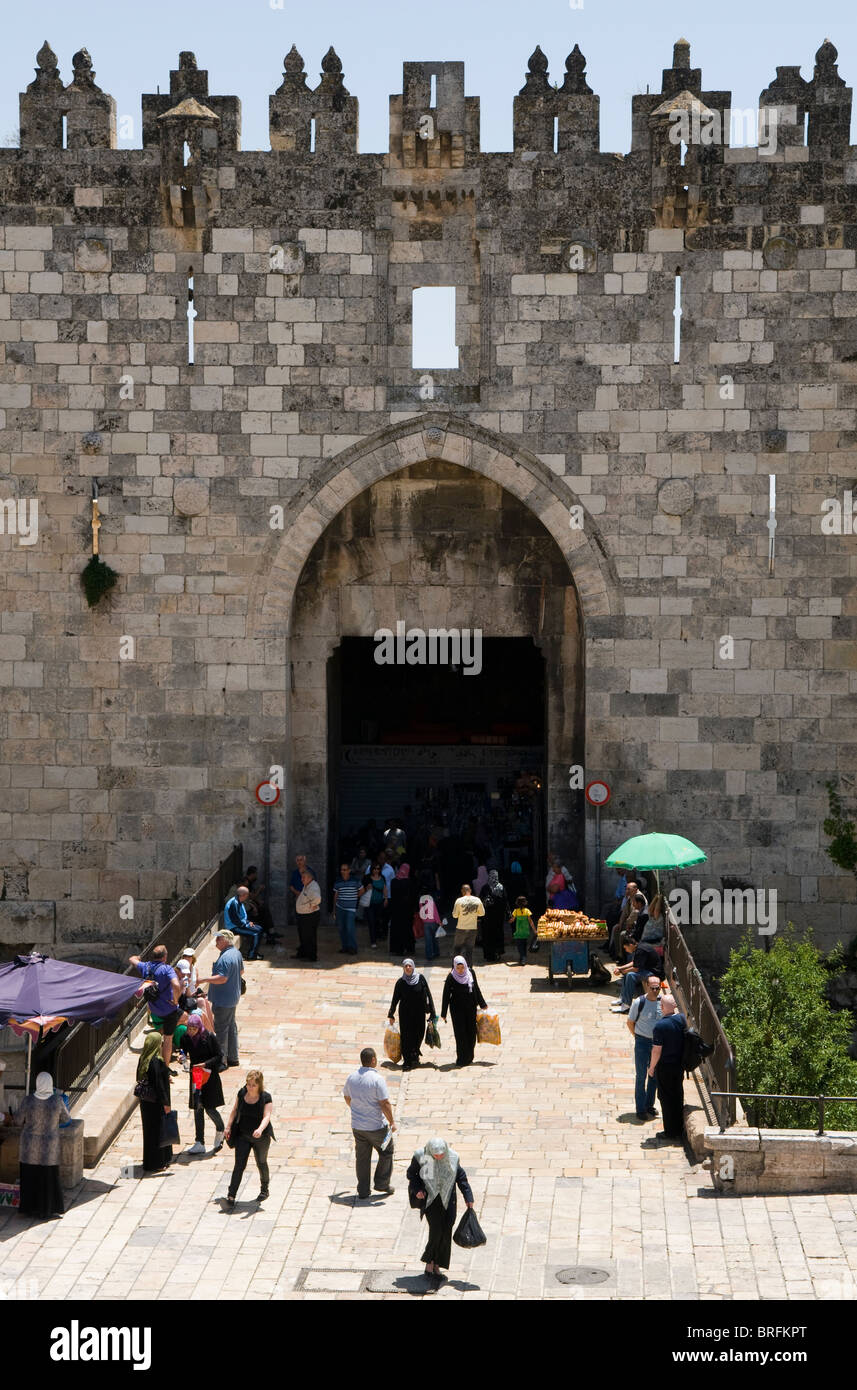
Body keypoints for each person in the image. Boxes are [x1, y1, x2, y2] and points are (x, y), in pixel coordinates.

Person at [407, 1136, 475, 1282]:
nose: (438, 1157)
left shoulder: (453, 1158)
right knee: (436, 1231)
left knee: (446, 1232)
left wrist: (468, 1198)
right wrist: (418, 1189)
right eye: (435, 1155)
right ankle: (429, 1262)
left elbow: (461, 1178)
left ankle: (437, 1264)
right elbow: (412, 1175)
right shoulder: (421, 1156)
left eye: (441, 1154)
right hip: (432, 1201)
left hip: (448, 1200)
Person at [343, 1047, 396, 1200]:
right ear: (373, 1060)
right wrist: (392, 1122)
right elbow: (384, 1103)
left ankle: (363, 1190)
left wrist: (356, 1109)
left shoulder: (352, 1077)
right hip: (376, 1127)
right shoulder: (377, 1079)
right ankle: (381, 1183)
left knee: (362, 1158)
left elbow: (347, 1096)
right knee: (386, 1152)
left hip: (358, 1127)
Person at [17, 1072, 70, 1218]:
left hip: (29, 1148)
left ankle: (29, 1208)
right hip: (49, 1147)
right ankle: (46, 1209)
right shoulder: (57, 1101)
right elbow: (66, 1119)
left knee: (30, 1177)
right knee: (47, 1177)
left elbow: (18, 1120)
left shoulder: (28, 1101)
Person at [224, 1069, 275, 1206]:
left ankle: (264, 1189)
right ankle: (231, 1194)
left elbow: (267, 1116)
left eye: (253, 1085)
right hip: (243, 1135)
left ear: (259, 1085)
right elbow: (234, 1110)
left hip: (261, 1137)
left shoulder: (266, 1097)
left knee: (261, 1162)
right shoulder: (242, 1093)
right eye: (248, 1084)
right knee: (239, 1165)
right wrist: (228, 1126)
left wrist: (260, 1129)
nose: (250, 1087)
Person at [197, 929, 244, 1070]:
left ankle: (221, 1061)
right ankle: (233, 1057)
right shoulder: (236, 953)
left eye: (219, 939)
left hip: (223, 999)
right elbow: (241, 971)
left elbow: (222, 978)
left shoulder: (224, 958)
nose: (216, 941)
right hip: (232, 997)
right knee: (231, 1026)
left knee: (221, 1029)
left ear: (226, 940)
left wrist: (203, 979)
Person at [129, 944, 181, 1065]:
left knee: (158, 1036)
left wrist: (138, 957)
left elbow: (132, 959)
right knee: (168, 1039)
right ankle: (165, 1068)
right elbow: (177, 985)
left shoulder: (145, 967)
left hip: (154, 1009)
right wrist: (176, 1000)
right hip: (169, 1009)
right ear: (164, 957)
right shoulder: (167, 969)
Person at [183, 1013, 226, 1154]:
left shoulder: (209, 1037)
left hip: (209, 1076)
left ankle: (220, 1129)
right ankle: (199, 1141)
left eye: (194, 1029)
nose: (191, 1031)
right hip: (196, 1076)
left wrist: (205, 1064)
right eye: (189, 1028)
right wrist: (182, 1056)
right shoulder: (187, 1038)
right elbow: (183, 1049)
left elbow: (219, 1056)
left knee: (209, 1108)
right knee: (198, 1107)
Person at [647, 994, 687, 1142]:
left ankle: (670, 1132)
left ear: (662, 1007)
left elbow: (656, 1050)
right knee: (678, 1095)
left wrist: (651, 1068)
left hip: (665, 1067)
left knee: (665, 1098)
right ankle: (679, 1128)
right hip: (679, 1065)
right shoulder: (682, 1019)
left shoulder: (660, 1026)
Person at [387, 959, 437, 1071]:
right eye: (406, 967)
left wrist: (433, 1012)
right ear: (404, 968)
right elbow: (395, 999)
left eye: (410, 966)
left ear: (413, 967)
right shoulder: (401, 982)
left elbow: (428, 995)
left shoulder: (421, 979)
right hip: (405, 1013)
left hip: (419, 1012)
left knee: (419, 1034)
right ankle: (407, 1061)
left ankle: (415, 1054)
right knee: (406, 1036)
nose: (408, 968)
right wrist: (391, 1014)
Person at [135, 1032, 173, 1174]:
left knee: (149, 1132)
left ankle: (150, 1162)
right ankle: (158, 1163)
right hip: (156, 1102)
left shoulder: (143, 1058)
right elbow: (159, 1085)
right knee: (158, 1131)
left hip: (146, 1102)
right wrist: (166, 1103)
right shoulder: (156, 1061)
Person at [627, 974, 663, 1121]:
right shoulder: (639, 1002)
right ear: (647, 986)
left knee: (653, 1075)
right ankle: (640, 1108)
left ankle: (649, 1105)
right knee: (641, 1076)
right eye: (653, 988)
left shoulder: (662, 1002)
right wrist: (637, 1036)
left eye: (658, 988)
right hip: (642, 1042)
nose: (655, 991)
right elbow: (630, 1022)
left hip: (657, 1044)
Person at [441, 956, 487, 1067]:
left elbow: (476, 988)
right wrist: (444, 1013)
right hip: (457, 1010)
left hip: (471, 1008)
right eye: (458, 968)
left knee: (471, 1033)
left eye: (462, 967)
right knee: (460, 1034)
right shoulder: (451, 977)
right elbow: (446, 995)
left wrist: (482, 1004)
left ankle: (469, 1056)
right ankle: (461, 1058)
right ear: (455, 967)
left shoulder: (471, 973)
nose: (461, 970)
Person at [610, 933, 663, 1013]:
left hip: (654, 973)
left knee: (630, 975)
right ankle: (623, 999)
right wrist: (620, 968)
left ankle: (626, 1005)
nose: (626, 950)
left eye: (626, 948)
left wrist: (622, 971)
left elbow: (635, 968)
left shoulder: (640, 950)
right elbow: (634, 962)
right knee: (627, 974)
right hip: (647, 970)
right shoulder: (639, 947)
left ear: (630, 945)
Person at [224, 885, 262, 961]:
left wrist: (248, 922)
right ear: (244, 895)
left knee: (259, 928)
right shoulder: (233, 903)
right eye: (247, 895)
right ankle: (252, 955)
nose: (248, 897)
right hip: (233, 927)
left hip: (238, 925)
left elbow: (241, 917)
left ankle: (254, 952)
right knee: (256, 932)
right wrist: (246, 925)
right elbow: (236, 920)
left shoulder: (238, 901)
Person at [451, 883, 484, 967]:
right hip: (472, 928)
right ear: (470, 891)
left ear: (462, 891)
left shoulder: (459, 900)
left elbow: (454, 915)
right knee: (469, 950)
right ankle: (469, 969)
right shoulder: (477, 900)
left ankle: (455, 969)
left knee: (457, 949)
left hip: (461, 928)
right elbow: (482, 913)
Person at [389, 863, 419, 956]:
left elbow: (393, 896)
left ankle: (398, 949)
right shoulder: (410, 882)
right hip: (407, 911)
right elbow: (414, 897)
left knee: (397, 930)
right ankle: (409, 949)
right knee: (408, 930)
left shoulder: (394, 881)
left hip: (396, 911)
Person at [480, 869, 509, 963]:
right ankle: (497, 953)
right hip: (497, 917)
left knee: (488, 935)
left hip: (488, 916)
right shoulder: (501, 887)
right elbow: (505, 902)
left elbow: (480, 901)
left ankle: (490, 955)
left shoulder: (485, 887)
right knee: (497, 934)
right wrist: (507, 912)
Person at [294, 867, 322, 961]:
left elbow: (317, 899)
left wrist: (312, 905)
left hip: (310, 916)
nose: (302, 879)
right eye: (302, 878)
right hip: (303, 915)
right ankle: (303, 953)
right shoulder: (307, 885)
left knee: (310, 936)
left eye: (304, 878)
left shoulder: (313, 887)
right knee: (303, 936)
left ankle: (311, 956)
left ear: (310, 878)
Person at [333, 862, 359, 955]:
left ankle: (353, 947)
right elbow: (336, 895)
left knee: (349, 927)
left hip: (350, 908)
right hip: (340, 907)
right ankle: (345, 947)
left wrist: (354, 898)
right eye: (341, 870)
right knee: (341, 928)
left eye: (344, 869)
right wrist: (334, 909)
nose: (342, 871)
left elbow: (362, 890)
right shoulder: (338, 881)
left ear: (349, 870)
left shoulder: (355, 880)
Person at [366, 862, 388, 949]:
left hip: (379, 903)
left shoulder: (382, 878)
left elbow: (384, 889)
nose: (376, 870)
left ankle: (377, 936)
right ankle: (373, 940)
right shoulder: (368, 878)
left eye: (378, 869)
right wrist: (367, 887)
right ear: (372, 869)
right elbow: (362, 888)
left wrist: (386, 899)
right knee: (371, 922)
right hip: (369, 904)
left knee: (377, 921)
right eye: (375, 869)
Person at [418, 890, 442, 961]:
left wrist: (423, 921)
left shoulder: (421, 902)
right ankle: (436, 952)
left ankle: (429, 955)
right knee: (435, 939)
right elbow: (435, 912)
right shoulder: (431, 901)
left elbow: (421, 913)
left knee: (428, 940)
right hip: (433, 922)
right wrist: (439, 921)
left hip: (426, 924)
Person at [511, 895, 535, 964]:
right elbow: (531, 921)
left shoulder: (515, 911)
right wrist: (534, 930)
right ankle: (523, 957)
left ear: (517, 903)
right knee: (524, 945)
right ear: (525, 903)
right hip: (525, 932)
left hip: (518, 932)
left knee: (519, 946)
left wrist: (509, 920)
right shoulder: (527, 911)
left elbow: (512, 920)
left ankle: (523, 958)